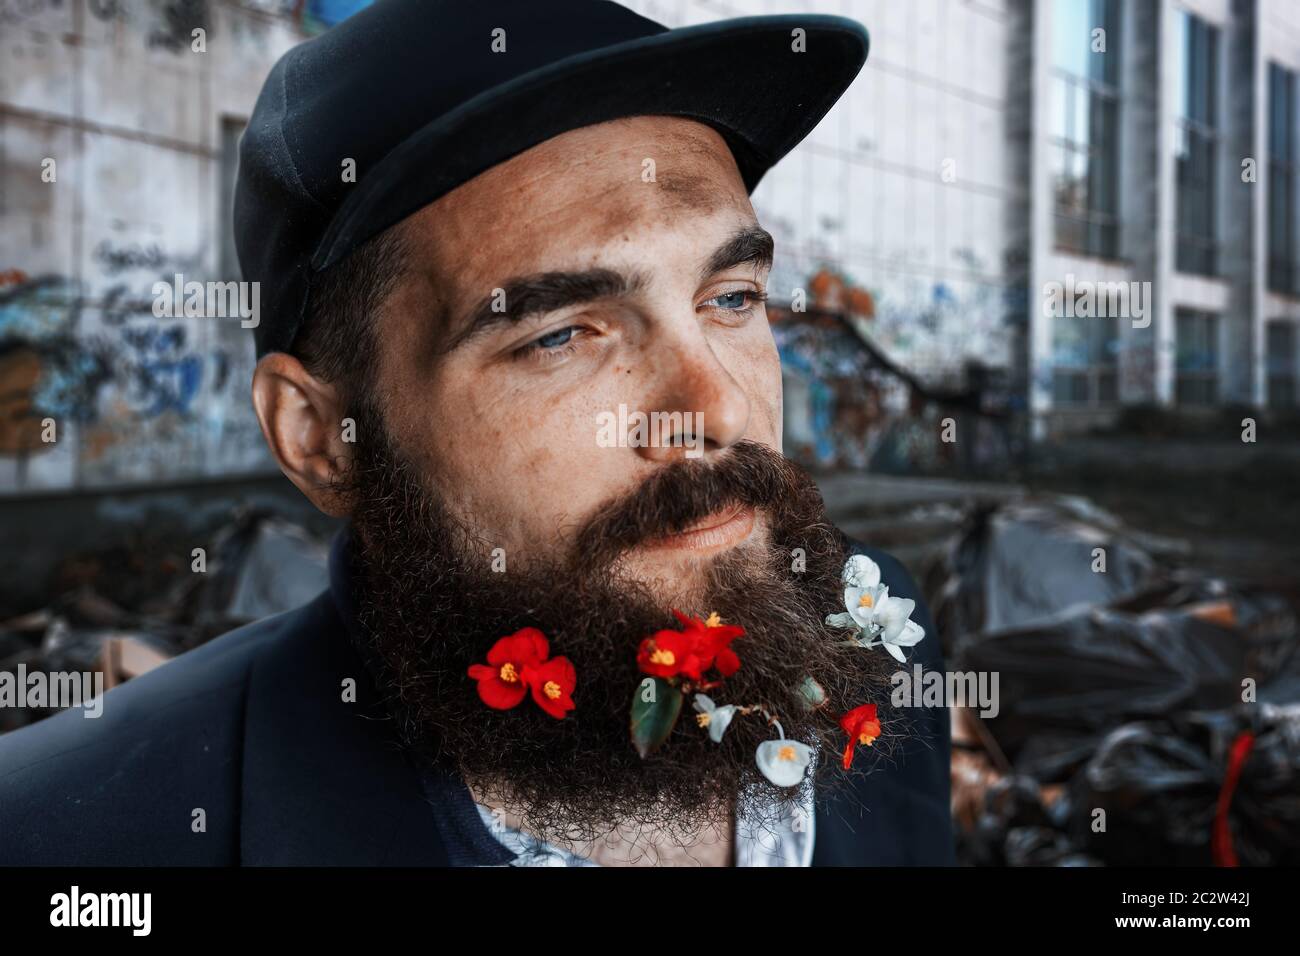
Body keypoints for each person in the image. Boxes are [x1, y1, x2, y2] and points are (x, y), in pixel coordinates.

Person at [0, 0, 952, 866]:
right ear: (322, 438)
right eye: (561, 335)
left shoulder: (878, 642)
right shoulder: (70, 832)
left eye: (732, 297)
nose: (719, 411)